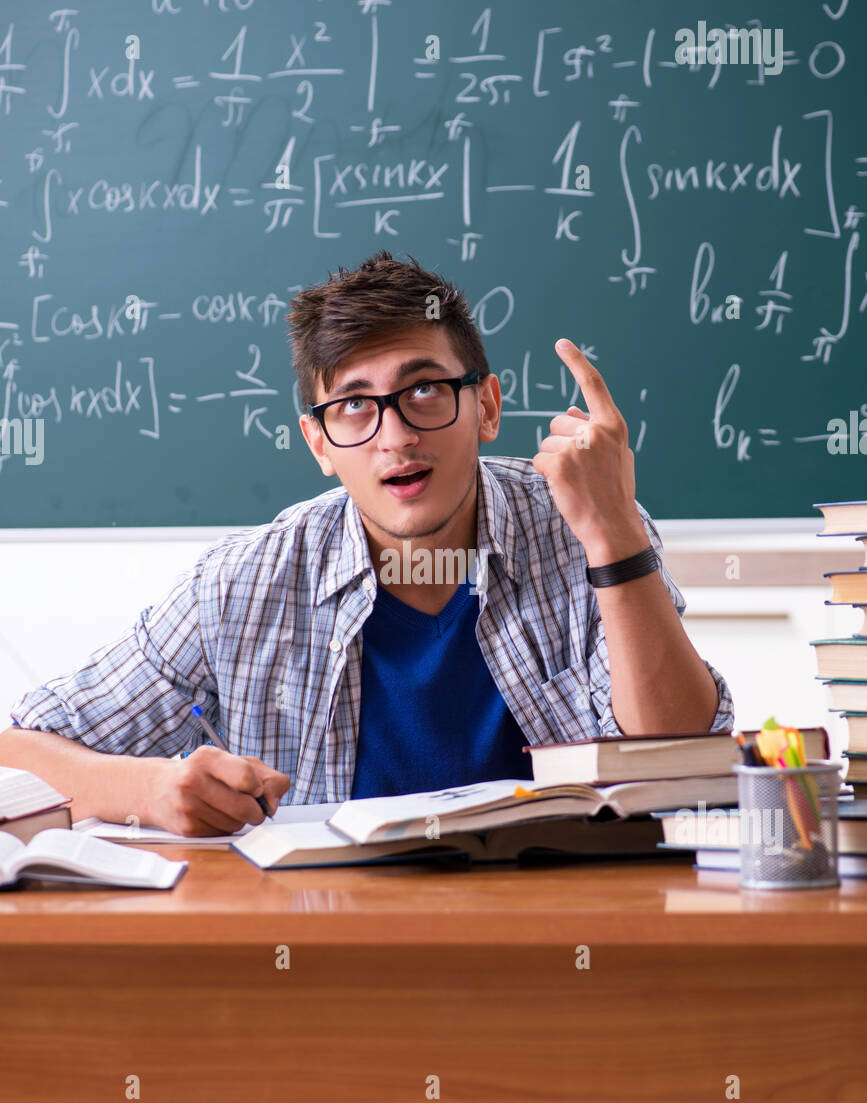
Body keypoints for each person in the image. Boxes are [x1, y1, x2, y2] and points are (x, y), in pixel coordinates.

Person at [0, 251, 733, 834]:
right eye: (355, 405)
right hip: (330, 959)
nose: (397, 435)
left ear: (485, 405)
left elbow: (674, 759)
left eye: (423, 390)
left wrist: (613, 533)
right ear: (319, 442)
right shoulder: (244, 584)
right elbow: (16, 752)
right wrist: (147, 789)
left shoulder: (584, 525)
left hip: (569, 938)